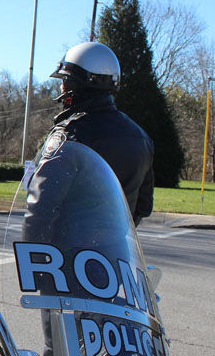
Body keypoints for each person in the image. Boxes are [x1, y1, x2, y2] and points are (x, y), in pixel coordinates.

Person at [44, 41, 154, 225]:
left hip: (69, 248)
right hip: (118, 249)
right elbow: (143, 207)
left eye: (64, 81)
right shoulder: (141, 137)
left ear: (75, 85)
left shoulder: (70, 134)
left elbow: (42, 203)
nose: (61, 88)